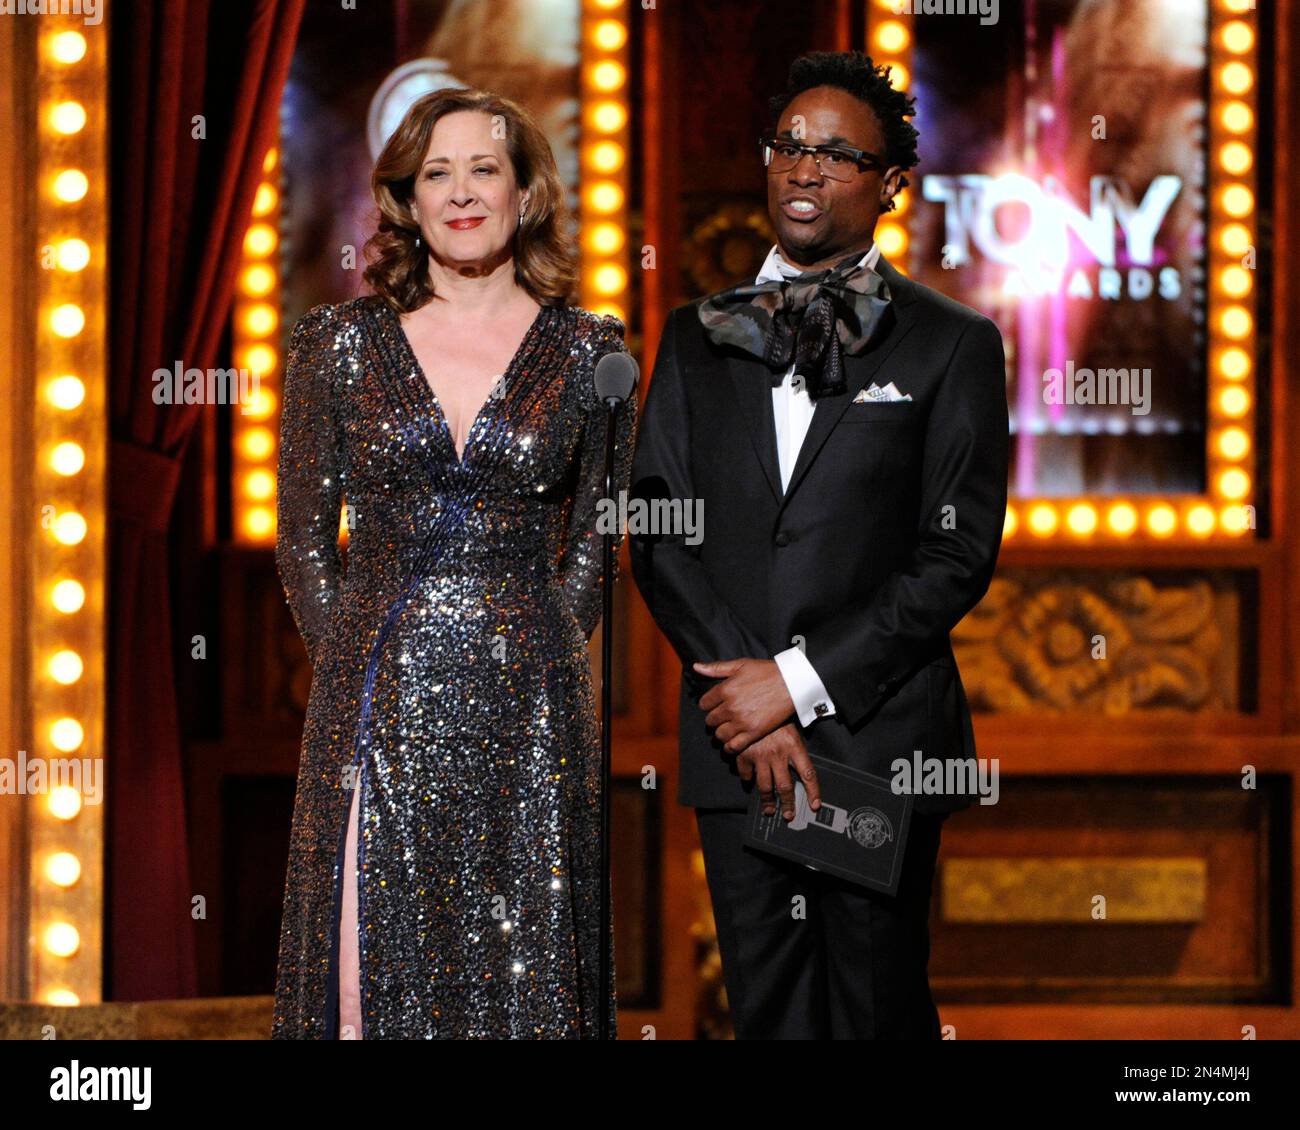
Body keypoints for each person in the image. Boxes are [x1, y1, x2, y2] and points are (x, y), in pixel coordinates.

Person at [630, 51, 1008, 1039]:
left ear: (890, 183)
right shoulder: (692, 336)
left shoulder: (952, 343)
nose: (803, 168)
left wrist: (792, 683)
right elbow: (659, 530)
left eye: (836, 152)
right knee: (770, 1018)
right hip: (734, 745)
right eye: (788, 145)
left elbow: (954, 557)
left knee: (874, 1012)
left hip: (872, 741)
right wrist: (747, 705)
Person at [271, 88, 636, 1039]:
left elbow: (600, 536)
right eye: (438, 172)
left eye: (485, 169)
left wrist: (540, 649)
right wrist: (356, 661)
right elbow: (305, 541)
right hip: (374, 706)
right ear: (406, 198)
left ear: (525, 194)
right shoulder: (336, 344)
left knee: (524, 983)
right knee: (369, 984)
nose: (462, 192)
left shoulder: (593, 350)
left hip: (533, 713)